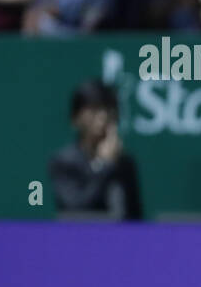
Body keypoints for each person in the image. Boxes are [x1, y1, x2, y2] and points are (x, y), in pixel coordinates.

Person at [48, 79, 143, 220]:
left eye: (108, 109)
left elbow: (135, 216)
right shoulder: (64, 161)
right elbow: (74, 209)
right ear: (75, 118)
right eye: (94, 109)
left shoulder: (125, 164)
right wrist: (104, 165)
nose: (103, 117)